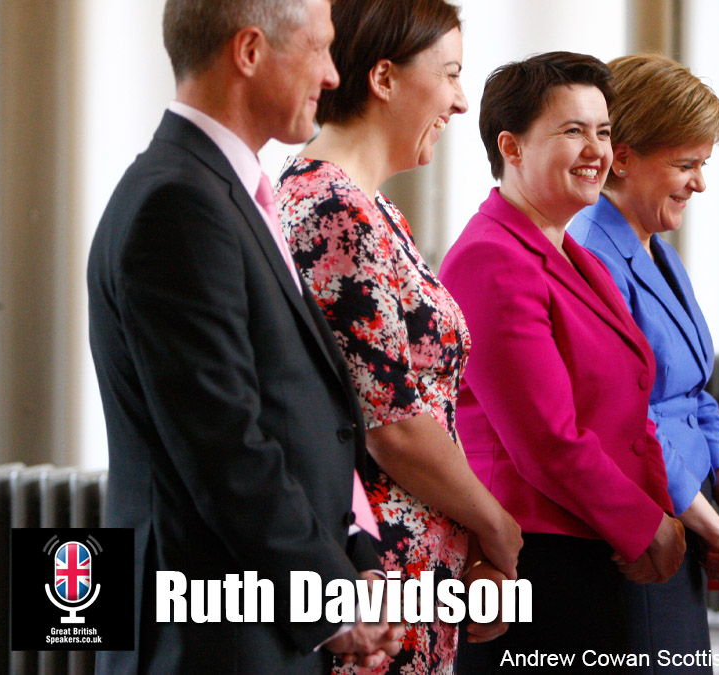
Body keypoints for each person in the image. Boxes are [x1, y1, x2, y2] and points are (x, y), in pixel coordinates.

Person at [87, 1, 404, 673]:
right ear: (250, 52)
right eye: (319, 49)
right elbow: (225, 441)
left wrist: (358, 560)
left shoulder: (225, 190)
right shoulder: (176, 204)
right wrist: (333, 601)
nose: (330, 73)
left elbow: (303, 413)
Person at [274, 1, 522, 672]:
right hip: (377, 572)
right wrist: (498, 525)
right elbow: (394, 423)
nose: (462, 101)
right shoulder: (334, 210)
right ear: (384, 78)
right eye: (449, 74)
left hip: (412, 565)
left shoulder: (368, 205)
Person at [438, 52, 685, 672]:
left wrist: (657, 513)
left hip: (595, 546)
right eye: (573, 131)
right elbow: (546, 439)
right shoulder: (490, 257)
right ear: (512, 147)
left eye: (603, 132)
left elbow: (630, 407)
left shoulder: (581, 257)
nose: (596, 150)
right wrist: (646, 526)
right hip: (532, 562)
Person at [568, 53, 719, 671]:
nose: (699, 183)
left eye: (703, 164)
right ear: (622, 157)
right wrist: (713, 527)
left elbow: (696, 393)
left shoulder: (659, 251)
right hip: (642, 527)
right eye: (686, 164)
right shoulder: (591, 251)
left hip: (691, 514)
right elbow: (623, 417)